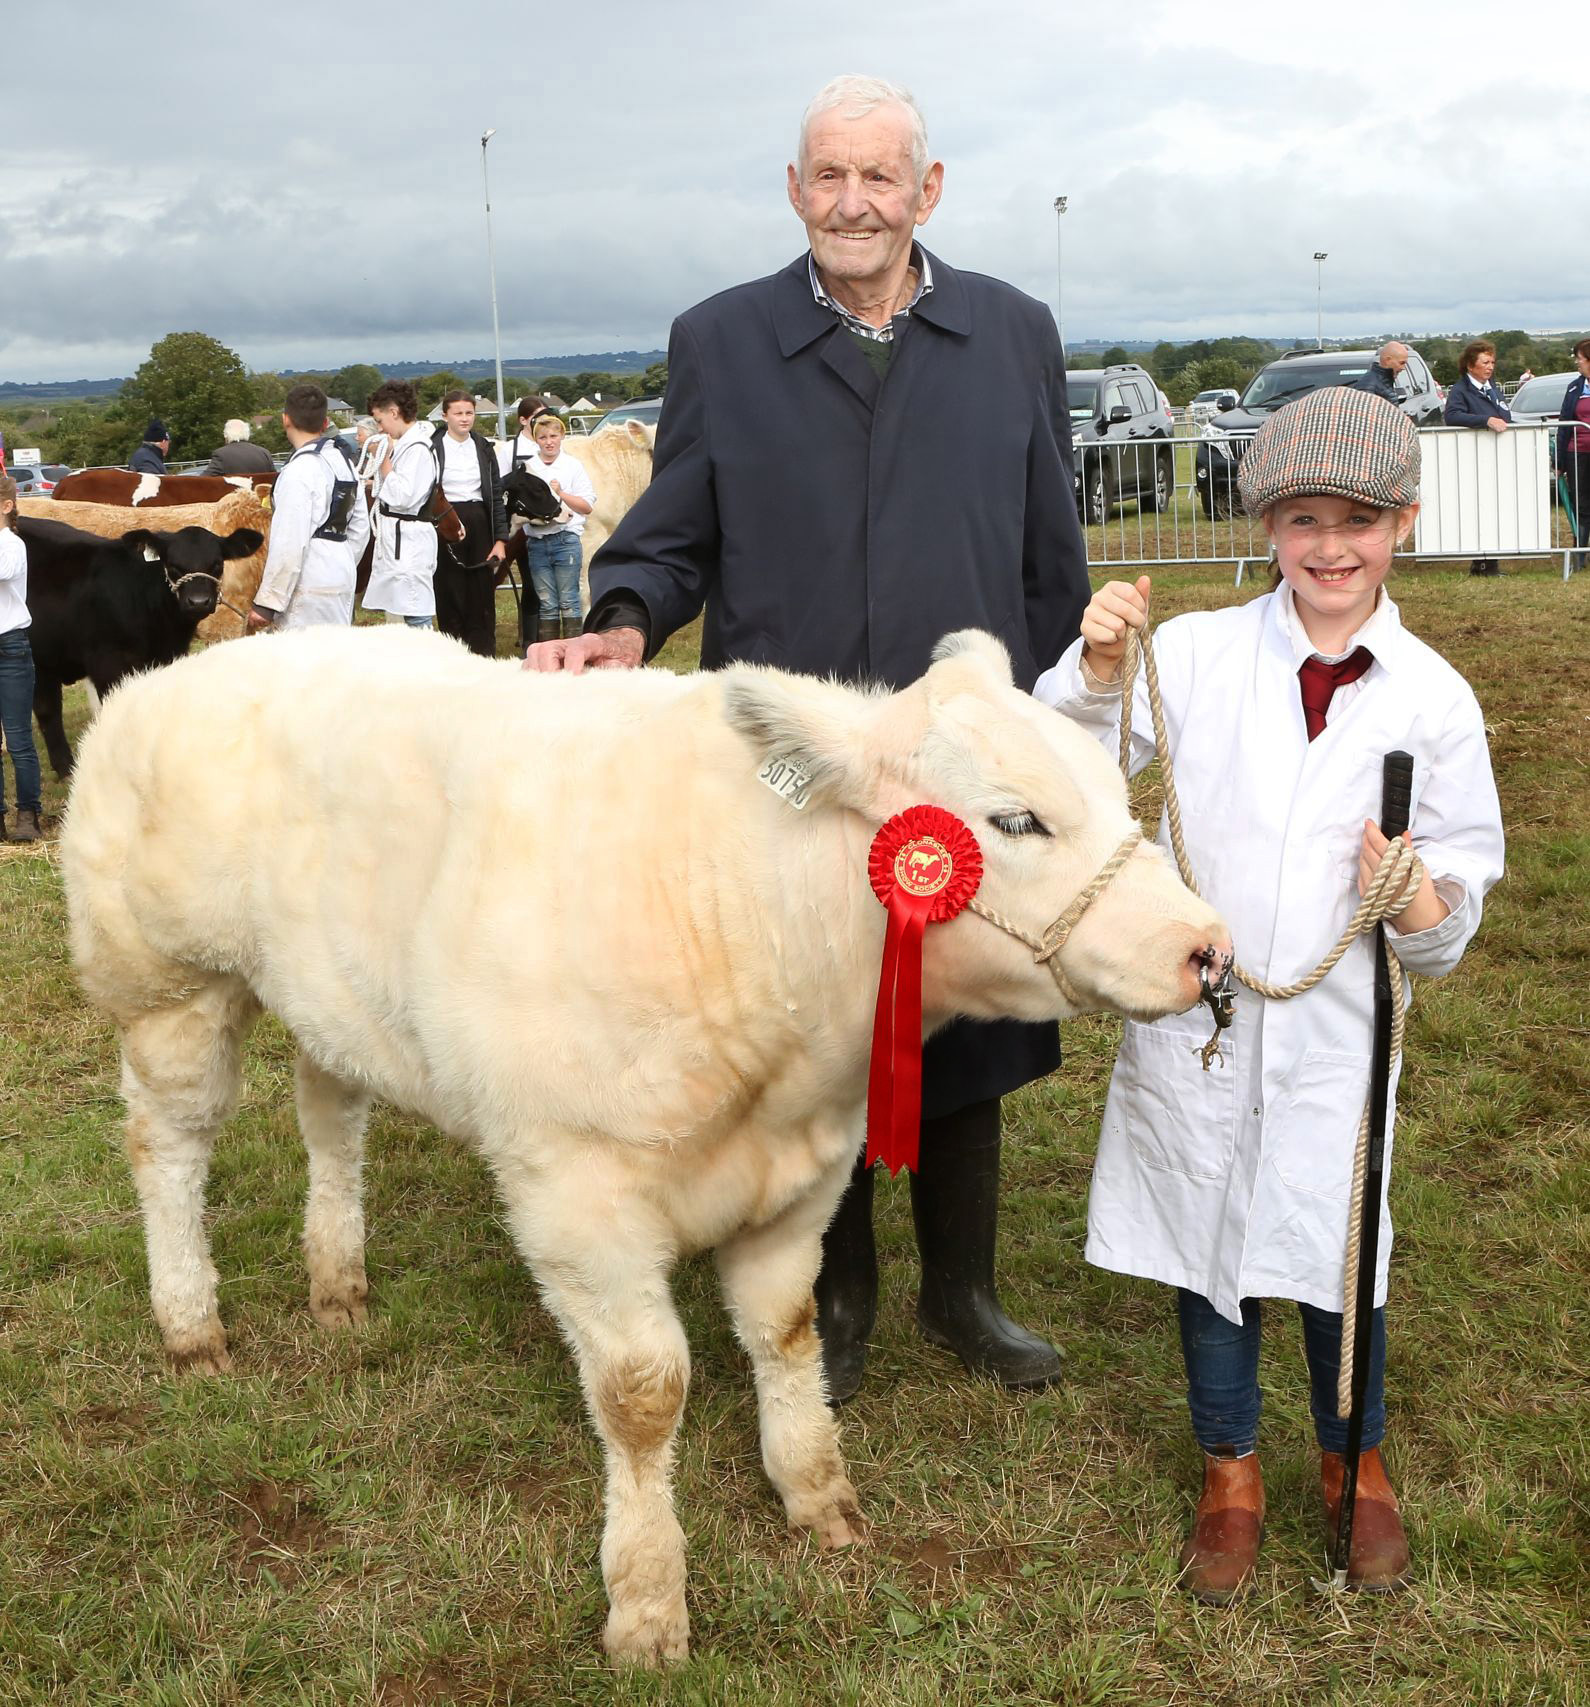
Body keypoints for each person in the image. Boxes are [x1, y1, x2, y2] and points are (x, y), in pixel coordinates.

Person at [523, 73, 1091, 1403]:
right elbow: (670, 536)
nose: (852, 201)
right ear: (794, 190)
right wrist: (618, 620)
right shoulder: (721, 340)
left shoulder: (1014, 332)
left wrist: (1054, 713)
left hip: (956, 756)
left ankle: (965, 1290)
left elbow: (1046, 552)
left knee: (964, 1019)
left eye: (878, 176)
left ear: (925, 190)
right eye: (826, 176)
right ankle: (834, 1294)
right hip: (786, 758)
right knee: (800, 1024)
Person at [1035, 387, 1504, 1600]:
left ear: (1402, 521)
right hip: (1204, 1022)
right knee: (1211, 1244)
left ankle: (1358, 1466)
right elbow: (1067, 770)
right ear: (1267, 528)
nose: (1330, 548)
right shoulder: (1190, 655)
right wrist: (1094, 671)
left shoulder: (1434, 699)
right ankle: (1230, 1472)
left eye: (1357, 519)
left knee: (1339, 1246)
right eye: (1304, 520)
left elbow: (1455, 916)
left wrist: (1412, 901)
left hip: (1340, 1037)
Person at [247, 383, 369, 632]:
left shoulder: (299, 471)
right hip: (341, 569)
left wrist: (268, 603)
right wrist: (341, 560)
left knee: (303, 661)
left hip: (308, 578)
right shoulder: (344, 463)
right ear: (325, 423)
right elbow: (360, 526)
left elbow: (290, 541)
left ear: (285, 420)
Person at [429, 390, 509, 656]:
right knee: (449, 589)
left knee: (480, 592)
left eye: (469, 413)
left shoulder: (484, 447)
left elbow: (496, 495)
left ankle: (483, 652)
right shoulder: (432, 447)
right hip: (444, 520)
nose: (464, 419)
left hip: (479, 518)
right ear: (445, 416)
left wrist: (500, 540)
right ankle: (451, 653)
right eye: (458, 413)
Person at [361, 380, 439, 629]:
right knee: (406, 607)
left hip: (411, 539)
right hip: (400, 538)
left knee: (416, 608)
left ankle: (425, 661)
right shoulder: (405, 445)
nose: (379, 427)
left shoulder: (417, 448)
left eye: (379, 420)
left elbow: (403, 496)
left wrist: (382, 459)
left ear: (393, 412)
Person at [514, 414, 594, 642]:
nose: (549, 442)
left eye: (553, 436)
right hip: (537, 542)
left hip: (565, 540)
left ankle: (573, 652)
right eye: (543, 437)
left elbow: (586, 506)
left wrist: (561, 494)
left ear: (561, 437)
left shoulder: (572, 466)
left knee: (569, 600)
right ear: (536, 440)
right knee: (546, 602)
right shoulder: (528, 467)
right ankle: (551, 654)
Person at [1443, 339, 1512, 575]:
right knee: (1479, 508)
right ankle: (1481, 563)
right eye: (1485, 362)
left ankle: (1491, 561)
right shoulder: (1460, 390)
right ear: (1470, 365)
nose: (1490, 367)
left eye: (1492, 362)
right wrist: (1485, 420)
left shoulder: (1491, 386)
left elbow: (1504, 413)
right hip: (1473, 459)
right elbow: (1452, 416)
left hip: (1495, 456)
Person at [0, 474, 43, 844]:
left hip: (10, 647)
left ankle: (28, 813)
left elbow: (4, 571)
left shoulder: (11, 544)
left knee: (18, 738)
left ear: (6, 506)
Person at [1556, 338, 1590, 572]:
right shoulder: (1574, 387)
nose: (1577, 362)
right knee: (1581, 506)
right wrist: (1558, 460)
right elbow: (1564, 425)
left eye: (1580, 358)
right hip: (1577, 455)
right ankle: (1579, 555)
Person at [202, 419, 276, 477]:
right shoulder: (264, 453)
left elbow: (204, 481)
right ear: (247, 434)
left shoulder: (221, 454)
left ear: (226, 435)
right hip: (261, 495)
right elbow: (275, 480)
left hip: (238, 495)